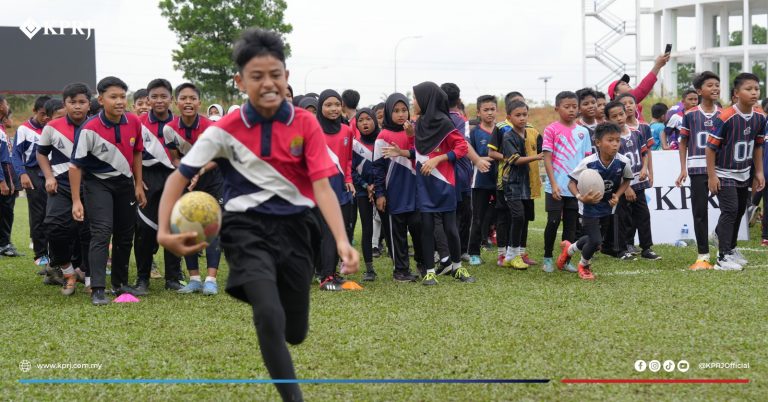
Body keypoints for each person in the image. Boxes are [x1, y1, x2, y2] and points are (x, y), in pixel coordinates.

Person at [157, 28, 358, 402]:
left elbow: (321, 187)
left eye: (275, 75)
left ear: (286, 76)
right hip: (245, 228)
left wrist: (343, 242)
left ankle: (270, 294)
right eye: (257, 76)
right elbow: (178, 177)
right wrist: (163, 233)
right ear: (240, 81)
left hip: (298, 228)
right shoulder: (224, 130)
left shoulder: (305, 123)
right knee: (268, 313)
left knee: (294, 331)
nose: (268, 83)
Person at [70, 76, 147, 305]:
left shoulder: (134, 122)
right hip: (97, 184)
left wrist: (138, 183)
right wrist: (76, 200)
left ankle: (120, 284)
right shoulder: (89, 127)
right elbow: (75, 166)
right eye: (113, 97)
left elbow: (137, 153)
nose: (119, 101)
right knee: (102, 232)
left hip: (125, 184)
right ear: (101, 99)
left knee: (125, 235)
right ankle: (98, 289)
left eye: (123, 96)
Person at [411, 81, 474, 285]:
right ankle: (429, 272)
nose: (413, 101)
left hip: (445, 182)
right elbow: (420, 151)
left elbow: (462, 148)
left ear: (426, 100)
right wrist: (408, 138)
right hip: (425, 183)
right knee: (427, 227)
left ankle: (456, 267)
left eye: (415, 98)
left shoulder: (445, 123)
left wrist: (439, 159)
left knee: (450, 227)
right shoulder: (419, 123)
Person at [37, 83, 93, 296]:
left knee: (90, 232)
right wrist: (49, 176)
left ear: (89, 104)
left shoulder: (96, 126)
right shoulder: (52, 127)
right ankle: (68, 273)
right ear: (65, 104)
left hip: (91, 186)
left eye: (82, 102)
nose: (77, 107)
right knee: (53, 227)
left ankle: (89, 278)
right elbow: (41, 153)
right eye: (72, 102)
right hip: (61, 186)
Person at [558, 122, 633, 280]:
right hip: (588, 207)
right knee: (596, 240)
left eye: (617, 140)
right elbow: (571, 183)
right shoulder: (588, 163)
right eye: (610, 140)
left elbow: (627, 180)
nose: (615, 144)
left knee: (596, 242)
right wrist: (581, 197)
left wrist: (618, 195)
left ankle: (568, 250)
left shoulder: (624, 162)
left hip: (607, 207)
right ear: (598, 142)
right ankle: (584, 265)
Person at [706, 72, 766, 271]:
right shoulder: (726, 117)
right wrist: (712, 176)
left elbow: (758, 146)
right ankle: (722, 258)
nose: (754, 92)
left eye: (756, 88)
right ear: (736, 94)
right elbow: (710, 148)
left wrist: (758, 172)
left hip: (745, 173)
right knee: (730, 210)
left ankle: (730, 248)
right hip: (724, 173)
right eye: (748, 89)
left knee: (740, 211)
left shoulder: (759, 117)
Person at [163, 82, 217, 292]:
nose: (188, 102)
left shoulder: (211, 128)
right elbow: (175, 158)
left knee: (212, 227)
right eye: (183, 98)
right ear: (177, 103)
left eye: (192, 99)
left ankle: (211, 280)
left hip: (212, 179)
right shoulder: (169, 129)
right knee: (187, 227)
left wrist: (199, 171)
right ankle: (194, 279)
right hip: (186, 180)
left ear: (199, 103)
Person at [132, 78, 182, 295]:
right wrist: (137, 181)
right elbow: (133, 153)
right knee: (144, 229)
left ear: (171, 99)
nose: (159, 101)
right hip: (147, 178)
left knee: (174, 226)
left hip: (175, 178)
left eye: (164, 96)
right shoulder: (137, 122)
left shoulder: (180, 123)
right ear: (148, 99)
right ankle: (142, 278)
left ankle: (173, 277)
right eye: (154, 97)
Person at [488, 92, 541, 268]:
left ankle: (518, 253)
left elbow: (543, 152)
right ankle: (504, 254)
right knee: (507, 217)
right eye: (518, 114)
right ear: (509, 115)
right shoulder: (503, 130)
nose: (522, 117)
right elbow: (495, 154)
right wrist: (530, 157)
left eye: (524, 113)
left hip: (528, 182)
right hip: (508, 181)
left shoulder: (532, 131)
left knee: (523, 218)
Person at [541, 91, 592, 272]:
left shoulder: (583, 132)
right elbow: (547, 158)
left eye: (574, 107)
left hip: (575, 188)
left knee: (571, 225)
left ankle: (567, 259)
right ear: (557, 108)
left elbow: (587, 161)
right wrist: (553, 184)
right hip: (555, 186)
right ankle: (547, 257)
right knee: (553, 222)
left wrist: (584, 185)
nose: (571, 110)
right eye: (567, 106)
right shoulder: (551, 129)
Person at [675, 71, 721, 269]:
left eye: (717, 84)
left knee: (731, 209)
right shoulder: (691, 114)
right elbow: (683, 141)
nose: (715, 88)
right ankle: (703, 254)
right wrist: (683, 168)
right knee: (700, 212)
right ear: (700, 90)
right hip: (697, 169)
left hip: (721, 170)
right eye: (710, 85)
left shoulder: (724, 114)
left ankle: (725, 248)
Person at [375, 93, 423, 281]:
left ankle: (422, 263)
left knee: (419, 227)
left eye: (404, 110)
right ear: (388, 112)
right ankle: (400, 270)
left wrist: (412, 136)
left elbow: (421, 154)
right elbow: (377, 167)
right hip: (394, 191)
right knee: (398, 233)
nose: (401, 114)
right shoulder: (383, 135)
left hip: (416, 189)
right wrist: (380, 193)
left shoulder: (415, 131)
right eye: (396, 111)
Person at [315, 89, 359, 291]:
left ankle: (332, 274)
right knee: (327, 234)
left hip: (341, 190)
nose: (333, 109)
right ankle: (325, 278)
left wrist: (348, 179)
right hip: (319, 191)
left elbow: (348, 160)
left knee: (338, 232)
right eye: (328, 105)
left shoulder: (347, 131)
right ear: (320, 107)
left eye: (336, 104)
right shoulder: (312, 130)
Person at [611, 96, 660, 260]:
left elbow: (644, 152)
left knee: (643, 215)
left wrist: (645, 168)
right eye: (614, 116)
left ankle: (647, 248)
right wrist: (627, 187)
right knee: (622, 217)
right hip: (622, 186)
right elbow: (615, 164)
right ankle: (621, 249)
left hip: (639, 182)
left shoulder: (636, 133)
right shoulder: (612, 139)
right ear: (608, 119)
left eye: (621, 114)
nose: (619, 118)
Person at [12, 95, 51, 266]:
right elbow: (16, 154)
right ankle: (40, 254)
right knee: (38, 214)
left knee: (53, 213)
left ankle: (53, 251)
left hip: (51, 172)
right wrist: (22, 174)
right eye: (42, 114)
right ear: (35, 111)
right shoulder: (24, 129)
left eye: (48, 115)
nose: (45, 118)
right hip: (32, 173)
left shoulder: (52, 127)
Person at [351, 107, 388, 281]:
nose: (365, 123)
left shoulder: (383, 141)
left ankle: (399, 266)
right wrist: (366, 186)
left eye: (368, 119)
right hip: (362, 191)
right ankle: (369, 269)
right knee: (367, 228)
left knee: (389, 227)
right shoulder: (354, 145)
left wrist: (378, 187)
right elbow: (351, 170)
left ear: (375, 120)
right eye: (361, 120)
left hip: (383, 190)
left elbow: (387, 167)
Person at [467, 95, 498, 265]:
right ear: (478, 113)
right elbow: (469, 155)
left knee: (502, 216)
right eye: (486, 110)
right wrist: (479, 160)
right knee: (478, 217)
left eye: (492, 109)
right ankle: (473, 252)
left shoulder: (503, 130)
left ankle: (507, 253)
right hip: (480, 182)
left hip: (501, 180)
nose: (490, 113)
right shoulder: (474, 133)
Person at [607, 52, 670, 117]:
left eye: (627, 83)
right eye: (623, 84)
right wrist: (657, 66)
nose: (627, 84)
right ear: (616, 92)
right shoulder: (618, 106)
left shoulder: (632, 105)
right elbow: (643, 88)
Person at [0, 95, 20, 258]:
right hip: (3, 177)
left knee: (7, 210)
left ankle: (4, 243)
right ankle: (4, 244)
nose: (7, 105)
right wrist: (3, 181)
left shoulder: (2, 130)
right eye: (6, 103)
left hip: (7, 175)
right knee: (5, 211)